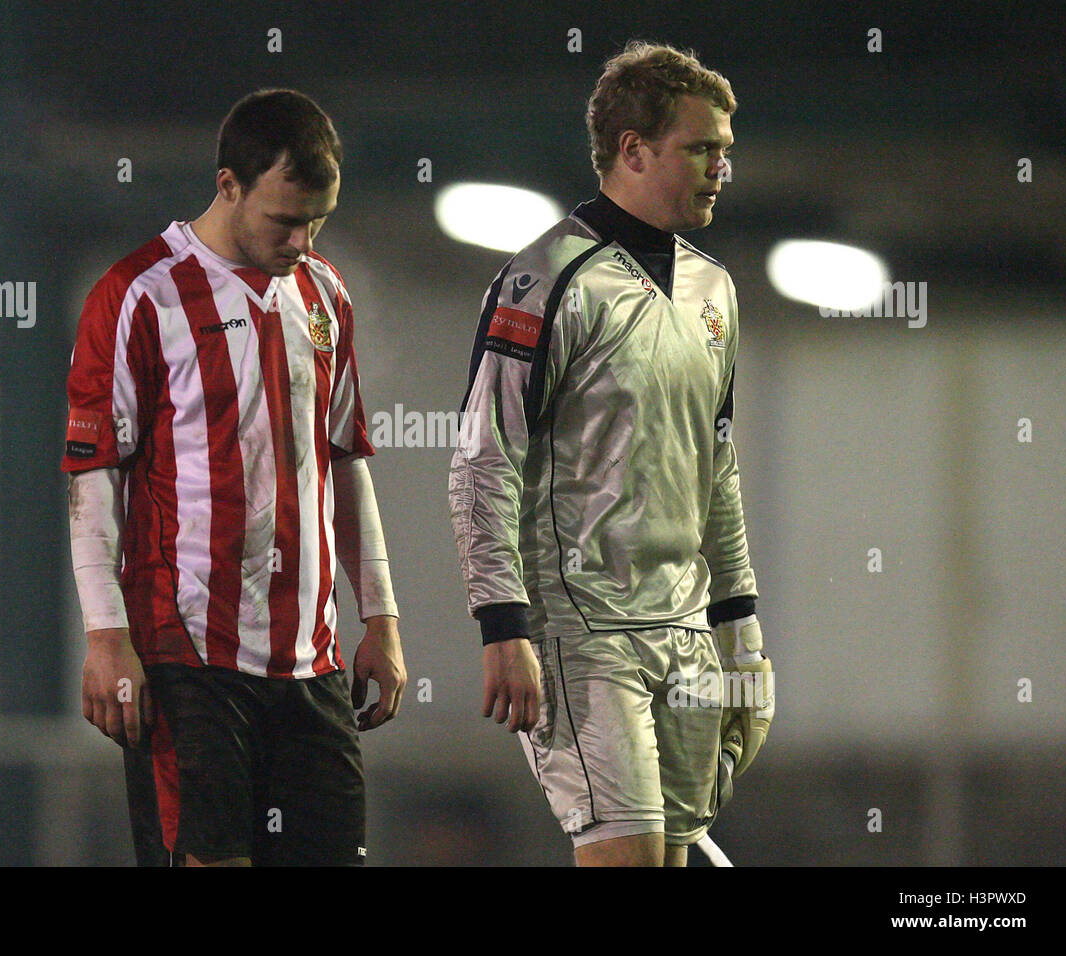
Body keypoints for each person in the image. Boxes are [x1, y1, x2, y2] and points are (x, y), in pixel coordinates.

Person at [448, 42, 773, 867]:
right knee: (623, 858)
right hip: (583, 630)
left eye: (724, 153)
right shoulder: (547, 278)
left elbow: (718, 470)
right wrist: (503, 627)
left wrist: (741, 633)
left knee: (666, 858)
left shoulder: (715, 290)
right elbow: (486, 460)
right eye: (700, 149)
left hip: (686, 628)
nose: (718, 170)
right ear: (632, 150)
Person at [62, 89, 406, 867]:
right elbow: (92, 479)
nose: (301, 238)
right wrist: (106, 636)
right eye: (283, 219)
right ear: (228, 186)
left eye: (317, 219)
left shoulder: (326, 295)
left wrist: (379, 616)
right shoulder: (139, 294)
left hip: (309, 661)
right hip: (188, 658)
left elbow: (345, 459)